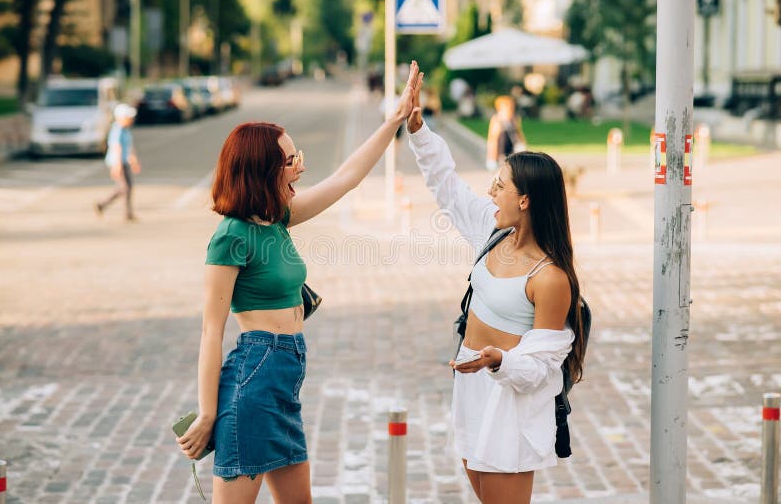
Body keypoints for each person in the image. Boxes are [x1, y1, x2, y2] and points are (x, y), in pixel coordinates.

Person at [175, 62, 421, 503]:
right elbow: (211, 330)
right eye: (291, 160)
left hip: (283, 381)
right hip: (252, 382)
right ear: (261, 169)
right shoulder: (231, 236)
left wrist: (394, 119)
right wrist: (209, 412)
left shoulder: (276, 218)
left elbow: (346, 178)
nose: (300, 168)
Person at [407, 71, 586, 504]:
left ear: (524, 200)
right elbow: (447, 188)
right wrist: (418, 131)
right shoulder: (493, 232)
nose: (490, 191)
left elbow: (542, 369)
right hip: (471, 384)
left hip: (509, 399)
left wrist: (498, 361)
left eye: (500, 186)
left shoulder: (550, 277)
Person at [95, 103, 140, 221]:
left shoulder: (126, 130)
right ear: (120, 117)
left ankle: (105, 206)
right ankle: (125, 212)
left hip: (124, 161)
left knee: (126, 187)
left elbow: (129, 147)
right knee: (124, 188)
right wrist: (117, 166)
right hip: (117, 162)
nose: (131, 119)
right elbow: (117, 148)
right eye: (128, 117)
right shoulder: (117, 130)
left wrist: (133, 160)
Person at [486, 95, 527, 171]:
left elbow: (519, 133)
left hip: (513, 147)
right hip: (501, 149)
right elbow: (493, 139)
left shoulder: (515, 118)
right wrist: (491, 156)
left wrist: (523, 144)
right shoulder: (497, 119)